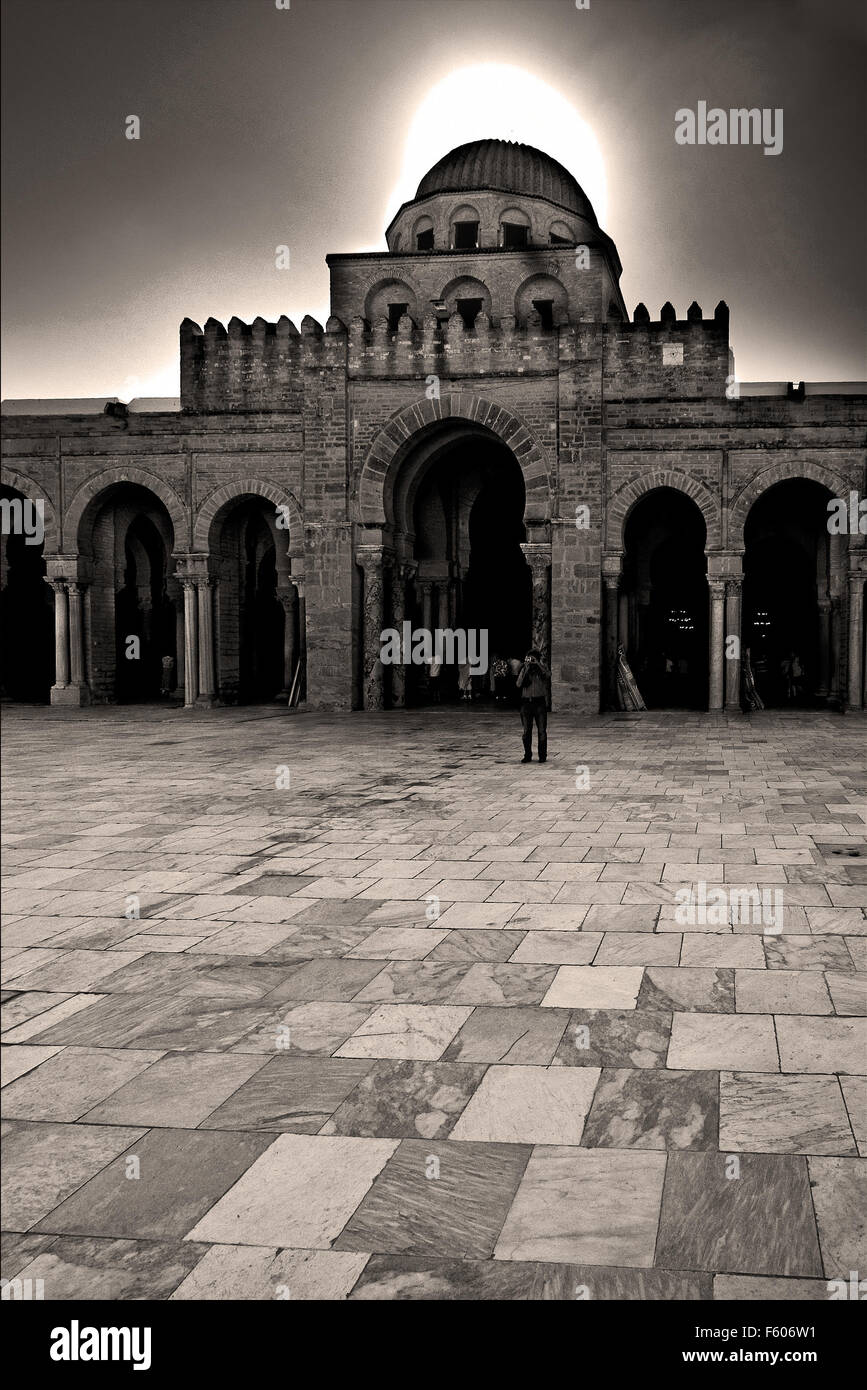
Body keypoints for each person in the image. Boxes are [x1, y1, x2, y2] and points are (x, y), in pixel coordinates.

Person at [516, 647, 550, 763]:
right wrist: (525, 667)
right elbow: (518, 684)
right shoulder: (525, 670)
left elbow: (548, 675)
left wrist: (538, 664)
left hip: (539, 703)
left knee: (541, 731)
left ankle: (542, 755)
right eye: (530, 658)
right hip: (526, 704)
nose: (531, 661)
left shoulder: (541, 671)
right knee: (526, 732)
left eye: (533, 658)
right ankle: (527, 755)